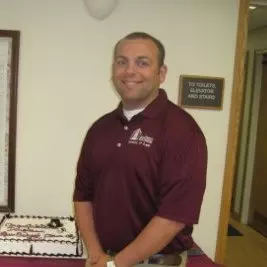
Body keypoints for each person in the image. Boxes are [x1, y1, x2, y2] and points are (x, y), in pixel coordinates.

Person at [73, 32, 207, 267]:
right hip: (104, 260)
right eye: (122, 61)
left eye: (142, 63)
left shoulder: (183, 131)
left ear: (161, 73)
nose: (129, 71)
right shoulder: (99, 129)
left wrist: (116, 264)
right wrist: (96, 255)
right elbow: (83, 196)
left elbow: (173, 217)